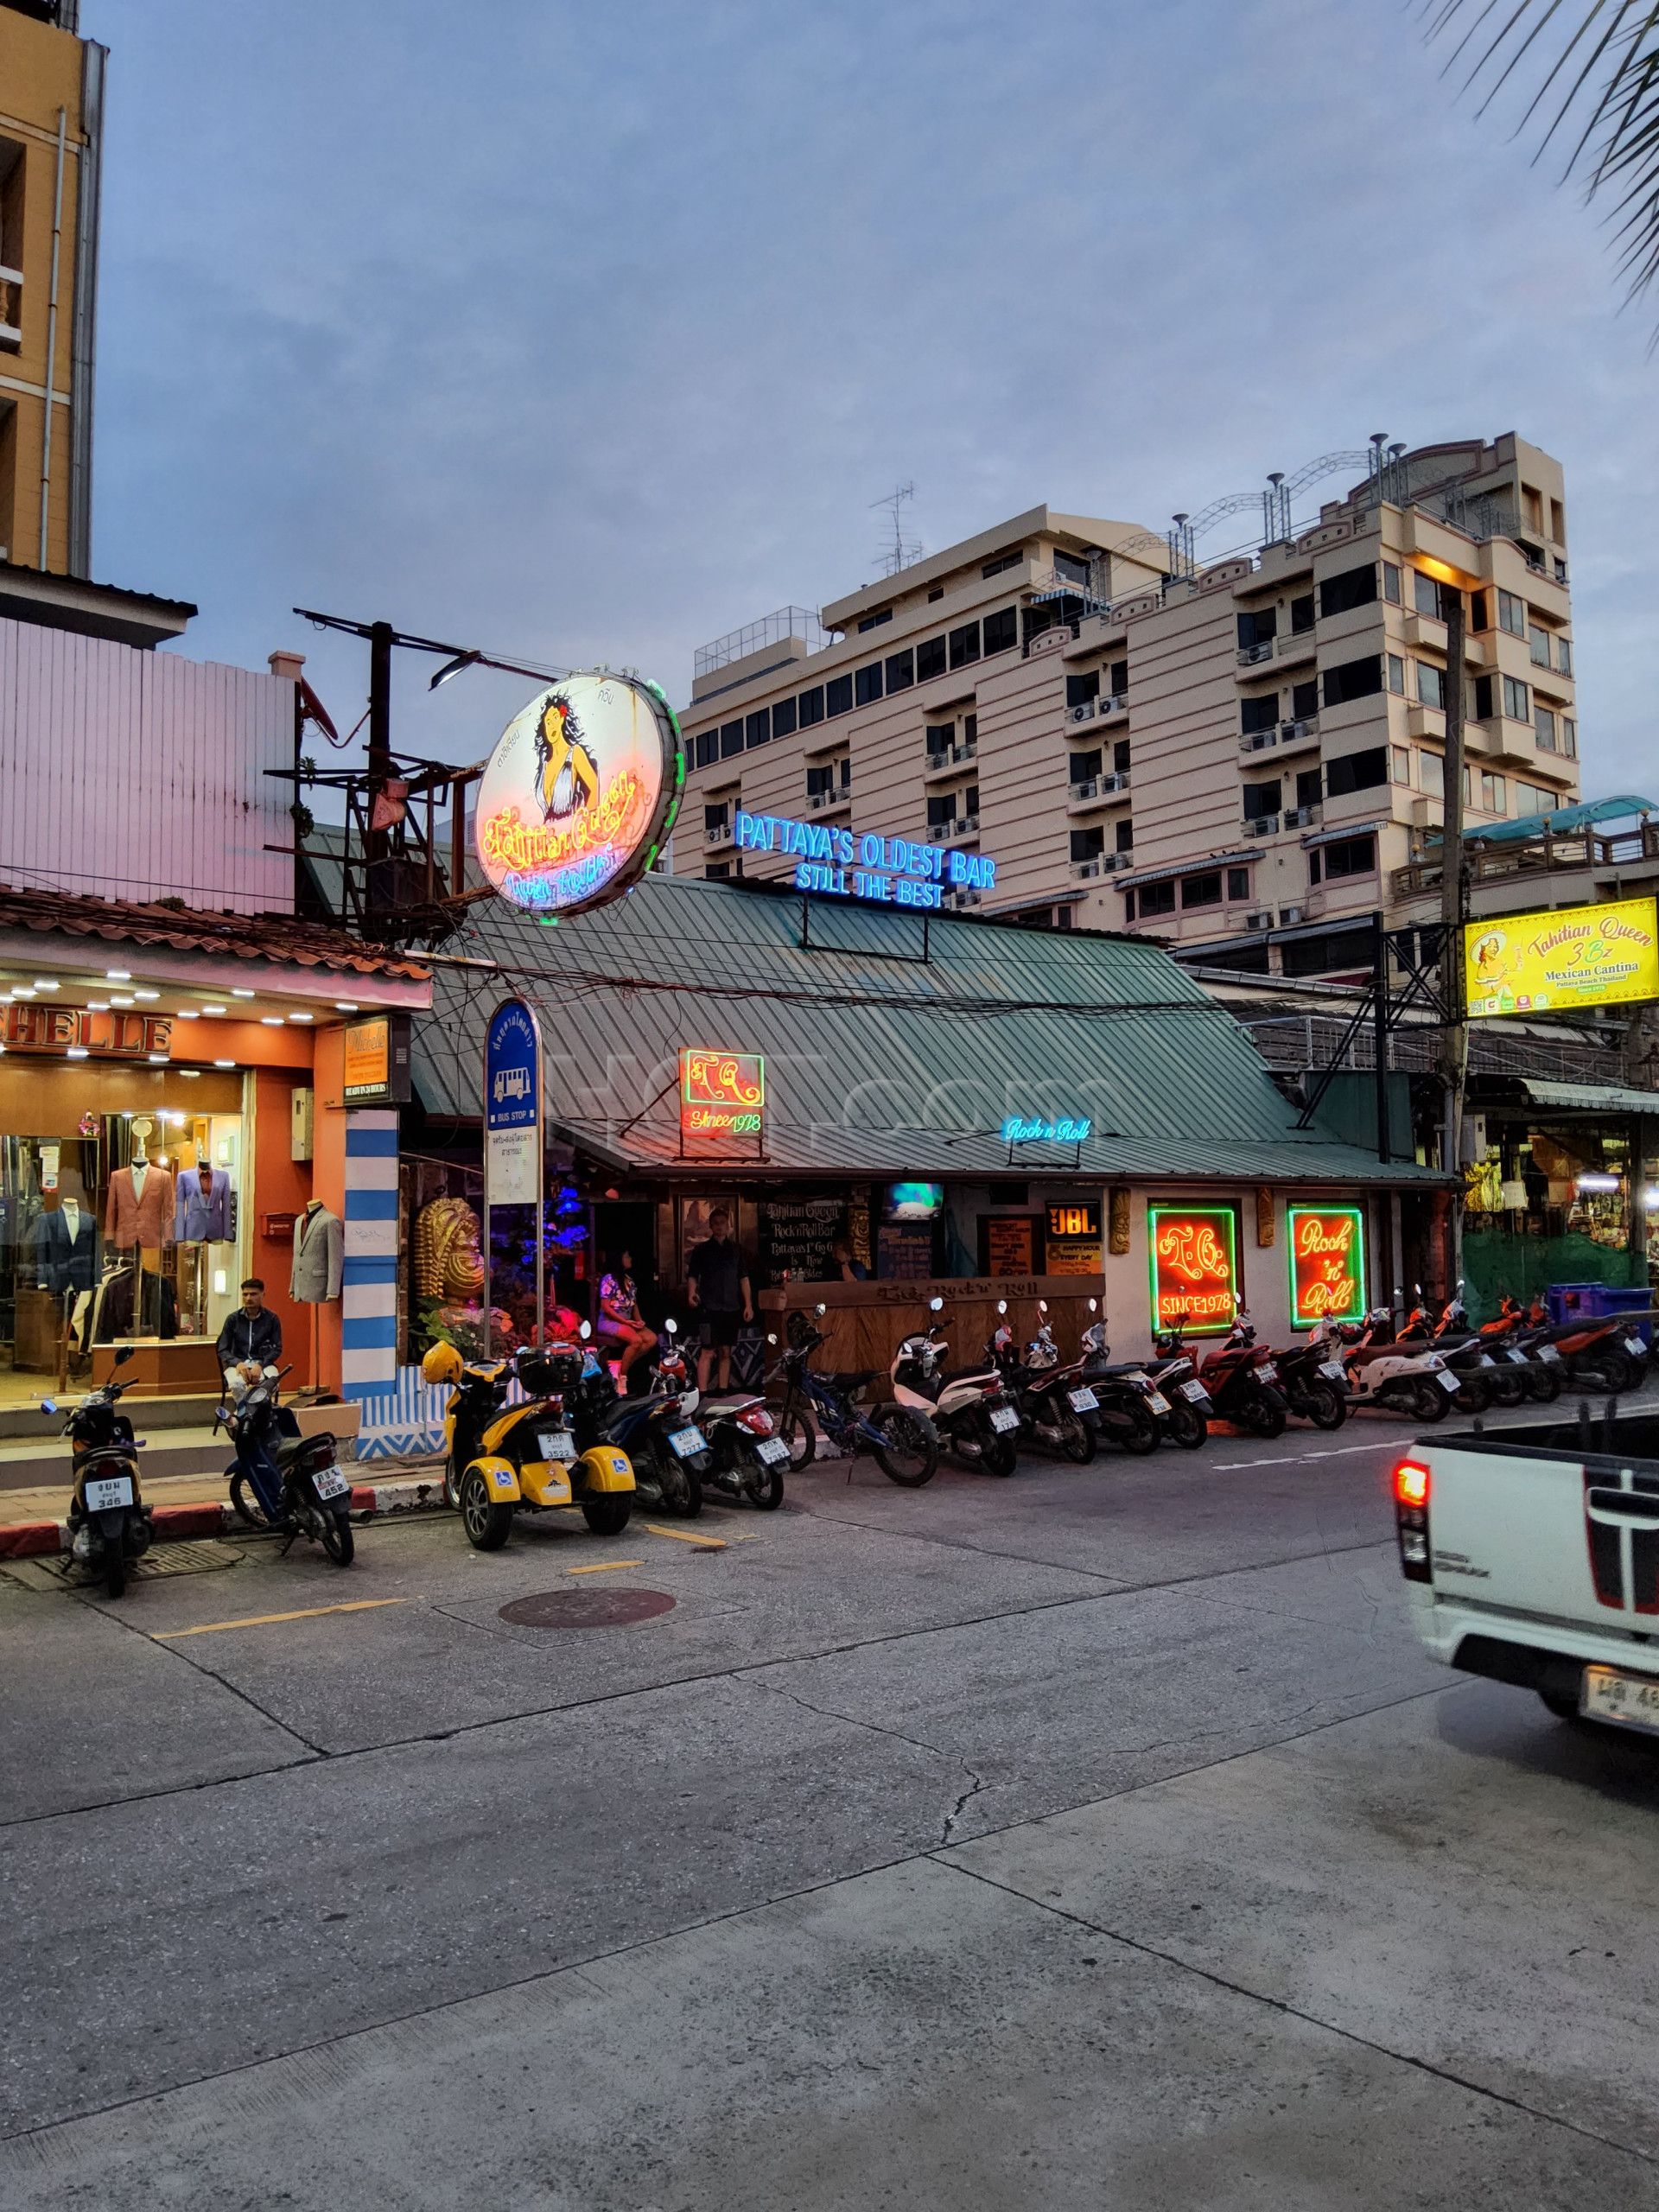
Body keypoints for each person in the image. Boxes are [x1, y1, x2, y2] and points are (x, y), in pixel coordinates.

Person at [686, 1205, 752, 1395]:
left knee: (725, 1351)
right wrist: (691, 1294)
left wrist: (748, 1305)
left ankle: (723, 1390)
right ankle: (703, 1393)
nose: (720, 1226)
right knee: (707, 1350)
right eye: (716, 1223)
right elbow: (693, 1275)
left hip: (731, 1306)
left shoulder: (736, 1250)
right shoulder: (702, 1250)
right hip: (709, 1306)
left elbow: (744, 1278)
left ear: (728, 1225)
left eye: (723, 1223)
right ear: (711, 1226)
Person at [596, 1249, 658, 1383]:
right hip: (610, 1321)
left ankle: (621, 1366)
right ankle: (622, 1377)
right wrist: (626, 1322)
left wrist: (639, 1321)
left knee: (651, 1338)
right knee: (636, 1340)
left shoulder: (629, 1280)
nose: (630, 1259)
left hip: (626, 1320)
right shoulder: (609, 1279)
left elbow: (634, 1304)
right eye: (627, 1257)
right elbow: (606, 1307)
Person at [215, 1277, 283, 1396]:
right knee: (237, 1385)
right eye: (245, 1294)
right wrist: (237, 1363)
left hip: (264, 1363)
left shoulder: (272, 1319)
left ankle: (261, 1408)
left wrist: (261, 1364)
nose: (248, 1298)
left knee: (272, 1383)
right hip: (237, 1364)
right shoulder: (232, 1319)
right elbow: (223, 1349)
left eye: (253, 1294)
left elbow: (277, 1348)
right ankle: (244, 1408)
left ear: (263, 1295)